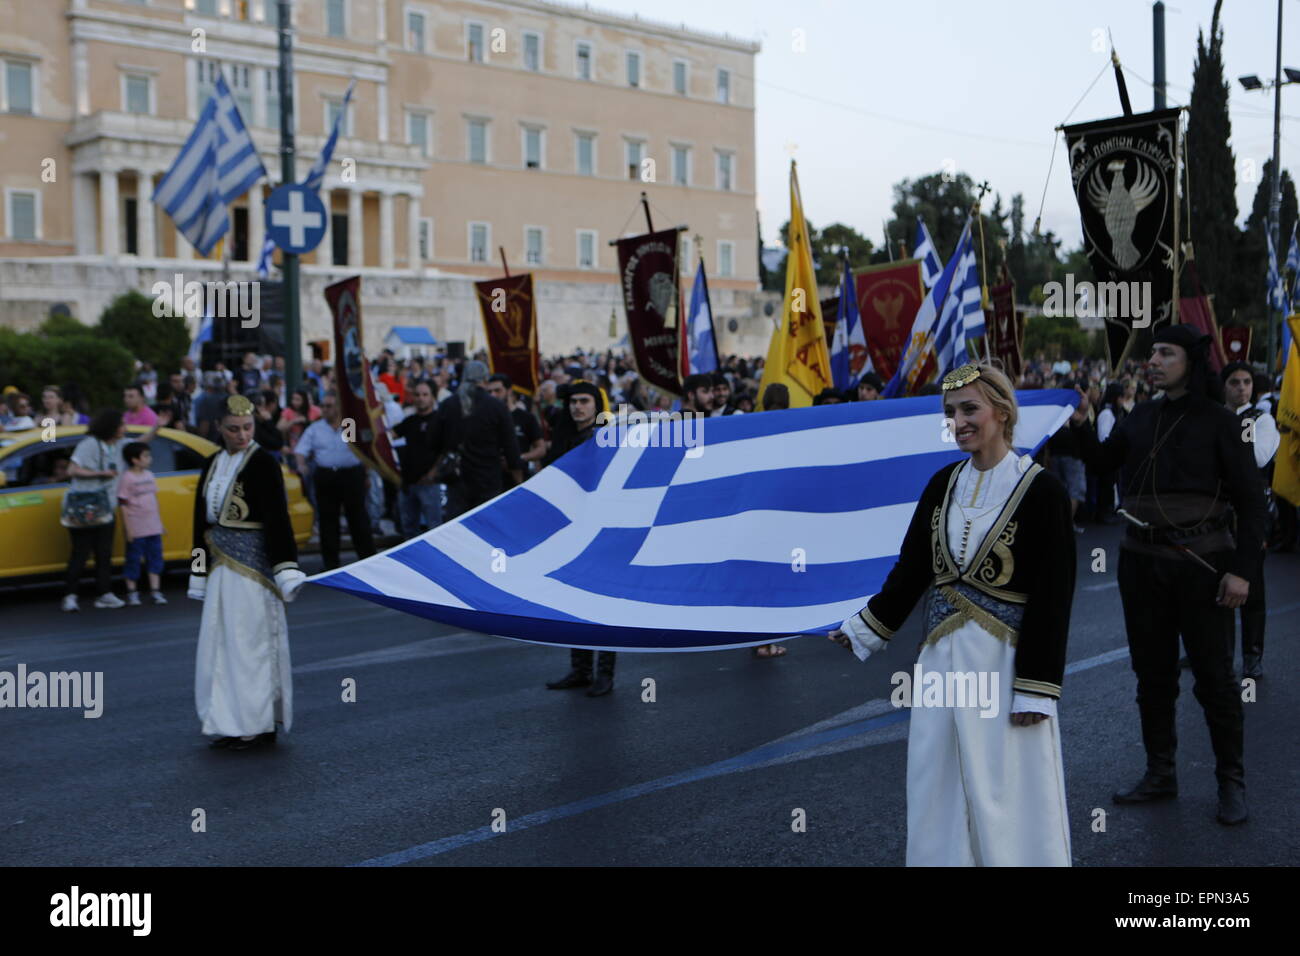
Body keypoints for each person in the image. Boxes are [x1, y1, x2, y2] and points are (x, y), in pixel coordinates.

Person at [828, 362, 1076, 865]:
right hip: (940, 665)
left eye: (969, 409)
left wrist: (1037, 689)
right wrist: (861, 628)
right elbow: (911, 570)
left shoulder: (1042, 491)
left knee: (1005, 785)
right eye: (950, 413)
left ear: (1001, 413)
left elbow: (1054, 597)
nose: (958, 421)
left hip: (1005, 666)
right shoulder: (941, 484)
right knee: (935, 777)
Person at [1069, 325, 1264, 825]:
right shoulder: (1139, 415)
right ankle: (1161, 774)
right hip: (1141, 565)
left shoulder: (1223, 422)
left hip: (1203, 568)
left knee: (1216, 680)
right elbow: (1101, 460)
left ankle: (1231, 783)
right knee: (1151, 676)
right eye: (1151, 352)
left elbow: (1250, 502)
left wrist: (1242, 573)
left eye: (1165, 353)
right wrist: (1078, 423)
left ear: (1191, 362)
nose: (1152, 360)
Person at [188, 394, 305, 751]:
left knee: (249, 646)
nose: (242, 435)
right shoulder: (211, 463)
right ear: (219, 429)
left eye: (248, 428)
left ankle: (257, 724)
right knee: (220, 646)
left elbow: (277, 519)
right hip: (222, 568)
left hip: (254, 572)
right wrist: (198, 571)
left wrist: (285, 568)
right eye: (234, 429)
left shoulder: (264, 463)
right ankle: (230, 721)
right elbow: (199, 523)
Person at [544, 381, 619, 697]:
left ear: (596, 405)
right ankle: (580, 669)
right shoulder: (563, 438)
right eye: (573, 401)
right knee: (572, 601)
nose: (577, 407)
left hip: (602, 533)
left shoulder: (609, 439)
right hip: (570, 531)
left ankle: (605, 673)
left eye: (584, 401)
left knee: (603, 607)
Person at [61, 407, 168, 611]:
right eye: (121, 425)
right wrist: (101, 473)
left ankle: (104, 594)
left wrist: (157, 428)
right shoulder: (89, 444)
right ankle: (70, 595)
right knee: (80, 553)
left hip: (106, 508)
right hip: (84, 507)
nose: (124, 428)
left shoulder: (120, 445)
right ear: (111, 427)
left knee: (104, 553)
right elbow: (72, 469)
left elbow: (140, 443)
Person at [1221, 361, 1279, 679]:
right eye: (1234, 382)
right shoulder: (1216, 416)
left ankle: (1252, 655)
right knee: (1211, 583)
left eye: (1246, 382)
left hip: (1248, 515)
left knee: (1251, 586)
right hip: (1216, 513)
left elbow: (1257, 457)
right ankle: (1214, 650)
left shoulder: (1261, 419)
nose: (1242, 388)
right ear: (1224, 386)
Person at [295, 390, 377, 571]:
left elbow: (365, 451)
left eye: (329, 406)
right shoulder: (315, 428)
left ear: (338, 407)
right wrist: (302, 465)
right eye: (322, 406)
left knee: (358, 518)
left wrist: (367, 473)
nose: (324, 409)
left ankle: (368, 560)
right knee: (327, 520)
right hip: (326, 477)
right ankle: (331, 564)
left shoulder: (349, 425)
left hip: (351, 475)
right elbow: (301, 450)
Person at [437, 360, 524, 519]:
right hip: (487, 478)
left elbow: (433, 441)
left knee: (458, 529)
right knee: (486, 527)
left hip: (457, 479)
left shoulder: (447, 405)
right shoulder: (496, 406)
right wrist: (517, 473)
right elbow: (511, 445)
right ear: (485, 379)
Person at [117, 441, 166, 606]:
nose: (149, 459)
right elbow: (123, 505)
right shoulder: (127, 478)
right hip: (137, 526)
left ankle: (155, 590)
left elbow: (154, 500)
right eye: (145, 456)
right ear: (134, 460)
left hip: (153, 525)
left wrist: (160, 523)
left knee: (155, 558)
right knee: (133, 559)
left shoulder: (150, 475)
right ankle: (132, 592)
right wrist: (128, 528)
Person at [393, 380, 443, 538]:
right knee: (408, 531)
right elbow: (386, 436)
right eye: (417, 394)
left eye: (425, 394)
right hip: (408, 484)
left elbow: (446, 449)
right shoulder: (409, 421)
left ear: (432, 397)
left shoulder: (440, 421)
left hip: (429, 484)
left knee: (434, 530)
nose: (420, 398)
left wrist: (433, 473)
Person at [485, 373, 546, 484]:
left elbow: (541, 449)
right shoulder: (485, 418)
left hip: (519, 479)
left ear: (509, 391)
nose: (493, 395)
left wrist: (520, 458)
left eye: (497, 391)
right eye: (489, 392)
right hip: (491, 480)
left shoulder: (526, 418)